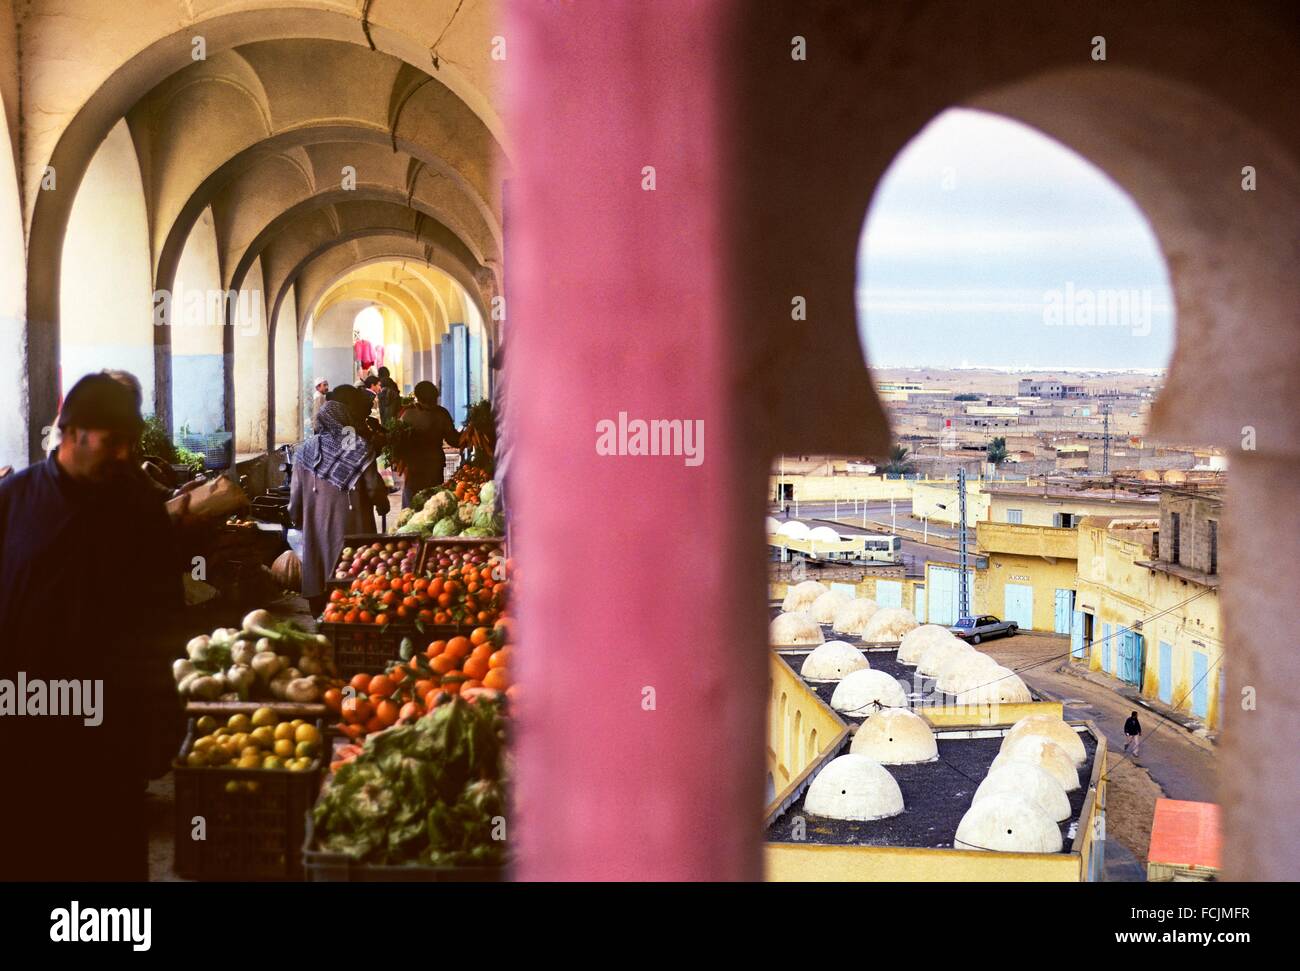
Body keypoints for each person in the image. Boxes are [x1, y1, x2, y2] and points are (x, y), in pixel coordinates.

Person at [0, 373, 181, 880]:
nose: (125, 455)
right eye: (113, 441)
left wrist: (163, 717)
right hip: (25, 728)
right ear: (72, 432)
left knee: (109, 859)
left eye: (130, 442)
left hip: (111, 733)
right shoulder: (13, 504)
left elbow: (165, 617)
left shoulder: (141, 509)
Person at [291, 385, 391, 614]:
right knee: (354, 566)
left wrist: (297, 519)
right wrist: (382, 503)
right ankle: (354, 609)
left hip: (316, 526)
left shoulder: (304, 450)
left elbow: (295, 496)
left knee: (319, 564)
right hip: (354, 525)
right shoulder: (358, 447)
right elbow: (374, 489)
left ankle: (320, 612)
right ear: (346, 418)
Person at [397, 381, 461, 509]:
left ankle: (409, 526)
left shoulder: (407, 414)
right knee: (433, 505)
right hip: (433, 466)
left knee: (412, 505)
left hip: (414, 466)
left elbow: (397, 442)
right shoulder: (441, 414)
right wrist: (467, 436)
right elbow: (453, 440)